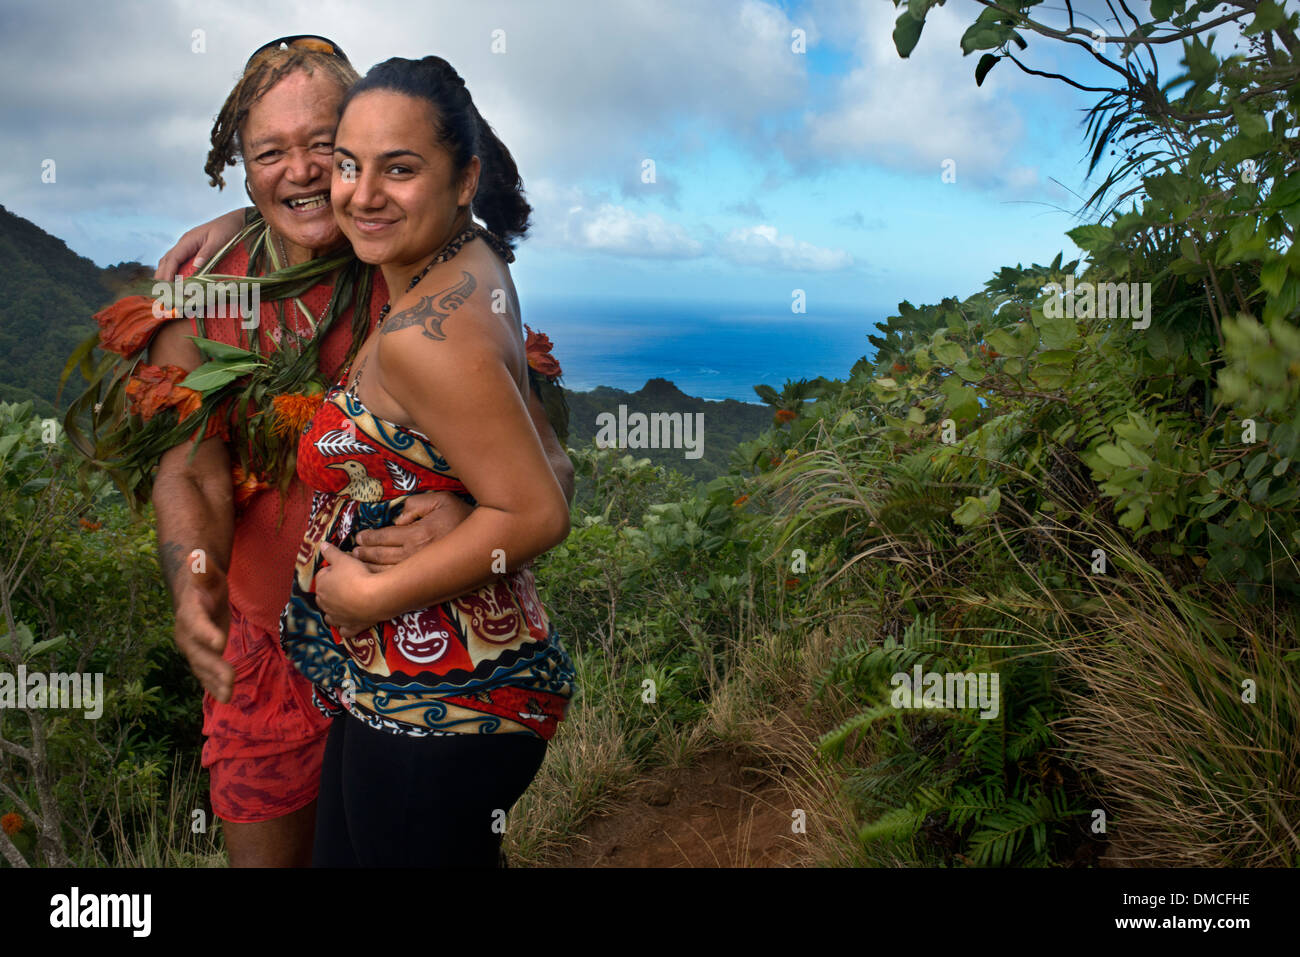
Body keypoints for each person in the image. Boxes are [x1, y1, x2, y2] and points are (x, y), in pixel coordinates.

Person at [140, 38, 573, 866]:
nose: (304, 173)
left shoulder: (420, 267)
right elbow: (187, 462)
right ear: (243, 165)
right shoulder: (206, 293)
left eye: (321, 146)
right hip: (270, 646)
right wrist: (195, 578)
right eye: (271, 153)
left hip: (412, 655)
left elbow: (543, 467)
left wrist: (467, 512)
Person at [276, 54, 575, 867]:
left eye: (399, 170)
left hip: (437, 700)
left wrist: (372, 592)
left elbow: (541, 511)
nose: (361, 195)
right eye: (348, 165)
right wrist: (477, 508)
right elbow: (552, 462)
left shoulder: (424, 338)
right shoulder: (475, 263)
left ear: (464, 176)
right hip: (444, 684)